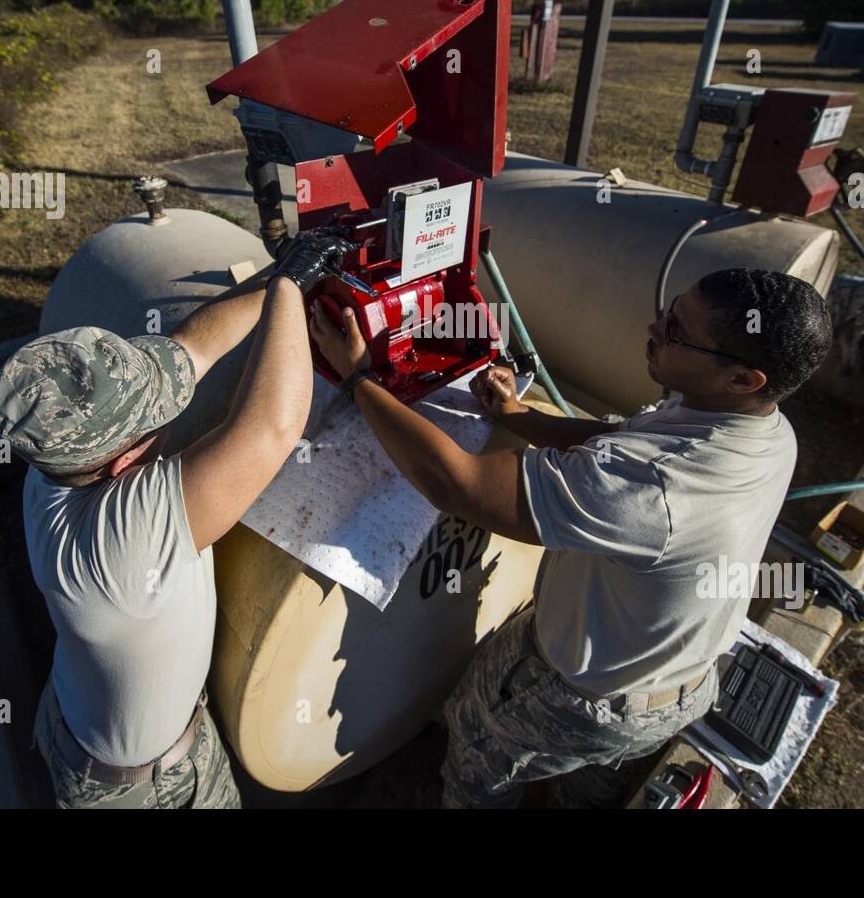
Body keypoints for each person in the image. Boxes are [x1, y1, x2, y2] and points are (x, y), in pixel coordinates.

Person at [309, 267, 833, 808]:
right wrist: (517, 416)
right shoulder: (762, 426)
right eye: (670, 309)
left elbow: (457, 484)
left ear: (745, 379)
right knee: (561, 766)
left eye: (676, 332)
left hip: (583, 696)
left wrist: (358, 379)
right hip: (682, 681)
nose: (653, 328)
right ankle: (562, 783)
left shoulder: (657, 488)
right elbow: (622, 439)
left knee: (480, 752)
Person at [0, 230, 352, 808]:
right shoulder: (115, 547)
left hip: (93, 719)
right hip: (137, 789)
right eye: (150, 422)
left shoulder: (51, 456)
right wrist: (290, 288)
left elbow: (190, 348)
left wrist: (280, 275)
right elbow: (270, 430)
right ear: (126, 458)